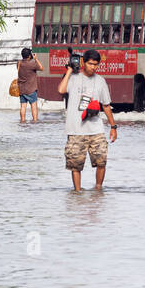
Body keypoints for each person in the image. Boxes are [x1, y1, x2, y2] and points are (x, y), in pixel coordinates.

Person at [57, 48, 118, 191]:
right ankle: (77, 193)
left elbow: (106, 106)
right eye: (91, 64)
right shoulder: (72, 78)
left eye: (96, 64)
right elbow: (61, 90)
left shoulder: (101, 81)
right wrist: (69, 71)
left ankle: (98, 190)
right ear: (84, 62)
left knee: (101, 161)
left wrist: (113, 127)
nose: (93, 67)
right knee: (75, 165)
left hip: (96, 129)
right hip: (76, 130)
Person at [17, 47, 44, 123]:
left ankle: (22, 121)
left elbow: (18, 71)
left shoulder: (19, 63)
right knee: (34, 106)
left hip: (22, 89)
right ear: (29, 56)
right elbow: (41, 68)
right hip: (31, 89)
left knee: (23, 106)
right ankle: (35, 121)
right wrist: (36, 59)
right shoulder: (32, 64)